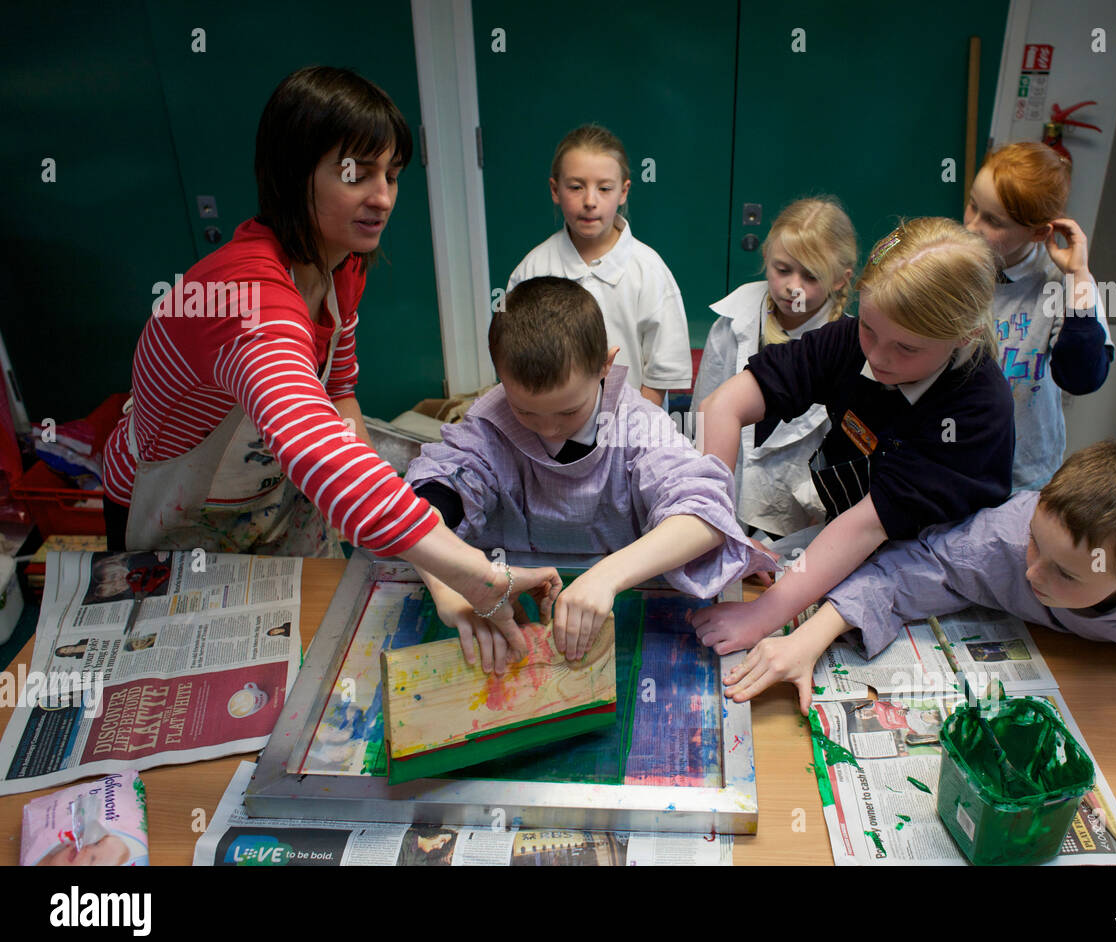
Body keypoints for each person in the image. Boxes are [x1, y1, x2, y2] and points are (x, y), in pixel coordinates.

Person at [100, 66, 557, 659]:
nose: (383, 198)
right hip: (178, 518)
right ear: (294, 173)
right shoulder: (246, 297)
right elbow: (313, 442)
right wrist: (471, 569)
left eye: (391, 175)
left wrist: (435, 572)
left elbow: (339, 398)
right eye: (356, 174)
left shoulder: (342, 268)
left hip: (276, 506)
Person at [724, 441, 1116, 712]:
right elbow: (912, 571)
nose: (1032, 573)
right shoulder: (1006, 535)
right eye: (1036, 546)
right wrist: (806, 638)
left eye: (1066, 574)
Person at [405, 277, 775, 666]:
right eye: (525, 412)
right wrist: (451, 587)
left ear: (605, 365)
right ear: (499, 375)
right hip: (506, 610)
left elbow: (705, 513)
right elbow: (420, 509)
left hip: (619, 607)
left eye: (568, 411)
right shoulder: (486, 428)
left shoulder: (638, 425)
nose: (548, 429)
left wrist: (605, 576)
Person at [690, 218, 1013, 655]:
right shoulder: (851, 342)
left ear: (964, 336)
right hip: (850, 541)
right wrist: (720, 528)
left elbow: (865, 527)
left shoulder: (976, 408)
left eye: (907, 348)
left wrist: (761, 616)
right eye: (869, 329)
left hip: (934, 568)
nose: (877, 356)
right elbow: (722, 407)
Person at [690, 197, 857, 539]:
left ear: (841, 279)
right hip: (724, 510)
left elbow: (846, 453)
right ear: (766, 257)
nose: (793, 286)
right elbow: (700, 423)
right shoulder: (730, 325)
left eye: (810, 276)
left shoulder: (851, 345)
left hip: (803, 524)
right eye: (782, 270)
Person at [507, 124, 692, 407]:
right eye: (576, 187)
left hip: (633, 429)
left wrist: (634, 431)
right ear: (555, 190)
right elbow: (514, 358)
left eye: (604, 188)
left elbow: (661, 371)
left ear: (623, 191)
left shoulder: (649, 271)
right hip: (550, 425)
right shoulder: (532, 271)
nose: (590, 201)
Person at [964, 142, 1113, 491]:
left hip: (1022, 473)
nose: (971, 226)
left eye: (993, 221)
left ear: (1038, 232)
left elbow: (1082, 378)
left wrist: (1078, 279)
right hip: (951, 457)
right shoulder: (953, 261)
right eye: (972, 205)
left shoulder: (1064, 283)